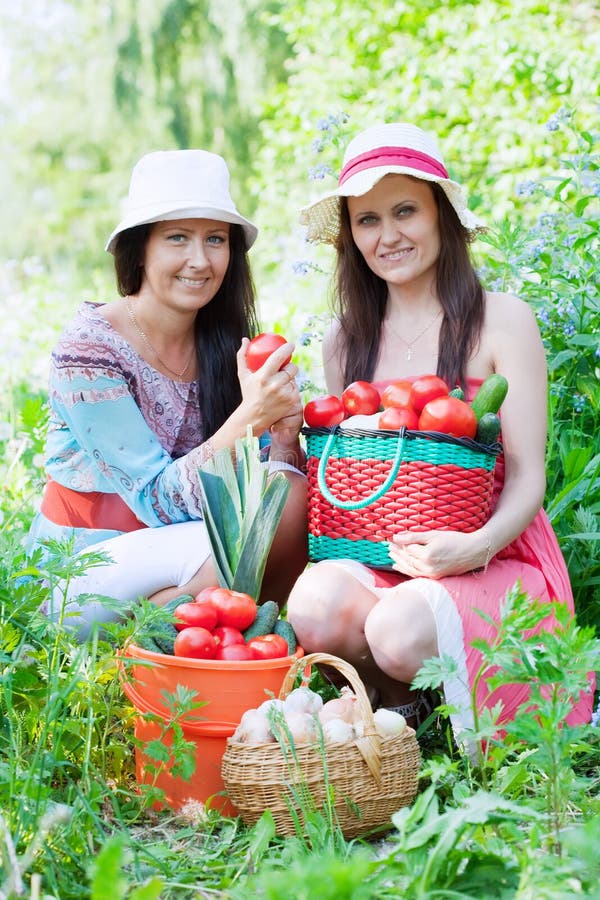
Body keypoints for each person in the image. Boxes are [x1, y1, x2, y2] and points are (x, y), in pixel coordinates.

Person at [286, 122, 595, 741]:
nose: (388, 235)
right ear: (351, 237)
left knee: (397, 631)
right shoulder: (346, 342)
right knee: (312, 604)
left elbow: (529, 477)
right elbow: (362, 472)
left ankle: (480, 705)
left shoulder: (502, 321)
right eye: (367, 220)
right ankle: (413, 713)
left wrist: (473, 546)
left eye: (406, 211)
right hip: (387, 555)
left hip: (495, 553)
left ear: (441, 217)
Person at [28, 148, 307, 638]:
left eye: (215, 240)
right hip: (77, 571)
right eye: (178, 238)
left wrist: (283, 434)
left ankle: (197, 641)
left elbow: (267, 491)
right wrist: (251, 415)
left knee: (291, 504)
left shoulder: (224, 342)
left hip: (175, 552)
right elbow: (156, 501)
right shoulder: (89, 351)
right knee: (226, 548)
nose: (199, 261)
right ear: (140, 250)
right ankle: (147, 644)